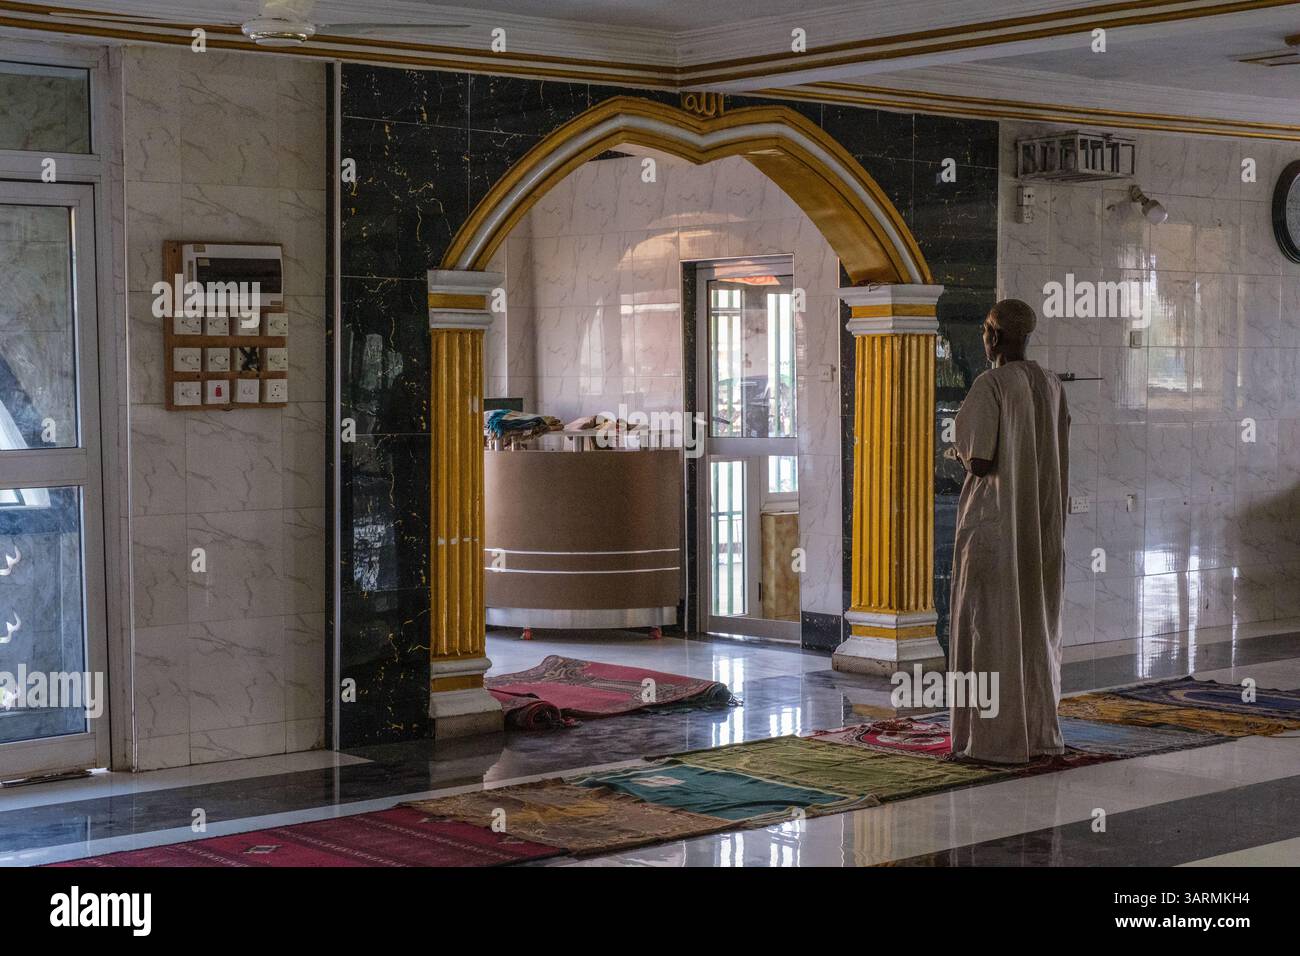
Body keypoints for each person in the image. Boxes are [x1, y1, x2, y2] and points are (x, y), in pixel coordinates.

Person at [947, 298, 1070, 764]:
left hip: (995, 528)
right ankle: (1037, 733)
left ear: (992, 335)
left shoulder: (992, 383)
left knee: (988, 631)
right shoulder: (1051, 384)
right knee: (1035, 630)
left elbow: (979, 458)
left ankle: (991, 740)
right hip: (1041, 530)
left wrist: (955, 450)